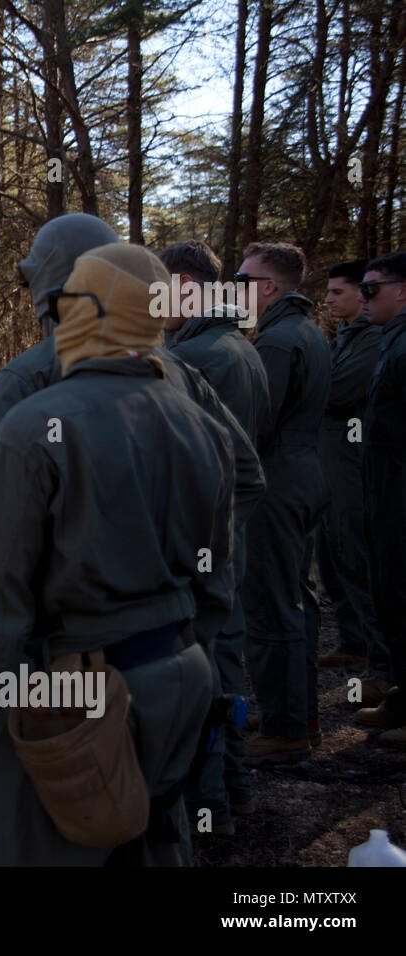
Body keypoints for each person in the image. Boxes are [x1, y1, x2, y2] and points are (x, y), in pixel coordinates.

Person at [0, 243, 228, 865]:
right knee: (154, 844)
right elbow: (216, 583)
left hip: (78, 695)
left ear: (91, 311)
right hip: (182, 674)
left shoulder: (37, 424)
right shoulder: (201, 422)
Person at [0, 216, 263, 594]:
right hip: (169, 619)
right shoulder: (176, 368)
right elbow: (244, 476)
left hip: (72, 623)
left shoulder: (31, 374)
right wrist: (201, 581)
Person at [160, 239, 269, 832]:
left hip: (206, 547)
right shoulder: (240, 348)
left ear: (184, 285)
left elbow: (212, 465)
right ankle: (233, 792)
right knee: (225, 667)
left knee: (201, 677)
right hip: (229, 541)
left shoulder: (201, 356)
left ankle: (210, 809)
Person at [236, 242, 332, 765]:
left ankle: (285, 730)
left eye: (243, 279)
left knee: (270, 607)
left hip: (275, 483)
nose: (237, 289)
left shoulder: (276, 342)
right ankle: (302, 714)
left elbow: (257, 424)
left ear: (269, 286)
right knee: (298, 600)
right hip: (304, 477)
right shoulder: (308, 332)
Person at [315, 260, 391, 707]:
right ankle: (354, 640)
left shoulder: (373, 338)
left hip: (352, 460)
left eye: (338, 292)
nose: (329, 299)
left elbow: (336, 391)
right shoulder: (345, 337)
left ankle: (382, 663)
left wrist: (312, 385)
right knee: (332, 553)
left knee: (357, 552)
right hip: (331, 461)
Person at [353, 252, 406, 747]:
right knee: (391, 590)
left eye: (372, 289)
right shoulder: (391, 341)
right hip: (386, 489)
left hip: (399, 491)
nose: (364, 298)